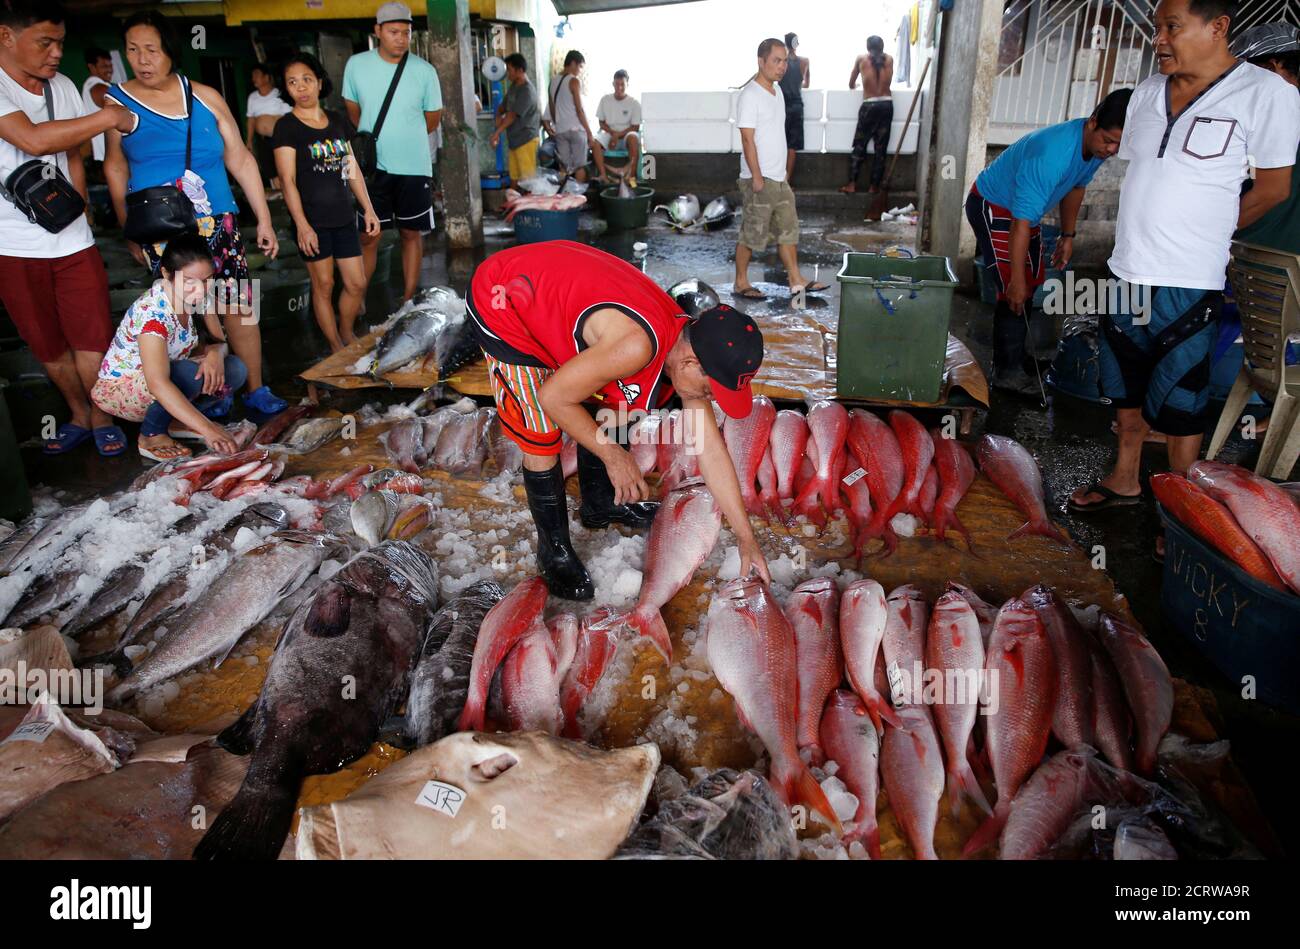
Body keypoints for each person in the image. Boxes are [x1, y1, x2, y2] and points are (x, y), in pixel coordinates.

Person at [1068, 0, 1298, 521]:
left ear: (1217, 26)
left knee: (1182, 399)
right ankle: (1125, 479)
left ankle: (1178, 506)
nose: (1159, 39)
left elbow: (1274, 188)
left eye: (1172, 26)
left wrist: (1209, 231)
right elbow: (1152, 174)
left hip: (1189, 278)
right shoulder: (1148, 93)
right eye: (1156, 27)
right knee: (1124, 388)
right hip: (1127, 269)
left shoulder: (1267, 93)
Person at [466, 241, 772, 601]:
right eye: (711, 390)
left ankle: (600, 503)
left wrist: (746, 539)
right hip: (505, 299)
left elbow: (712, 454)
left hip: (553, 294)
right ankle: (553, 552)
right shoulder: (636, 346)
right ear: (691, 364)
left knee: (623, 396)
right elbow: (553, 397)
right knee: (540, 432)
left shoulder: (682, 346)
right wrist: (614, 455)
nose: (709, 399)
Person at [102, 10, 288, 417]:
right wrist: (125, 225)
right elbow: (115, 166)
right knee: (186, 311)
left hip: (216, 218)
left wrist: (265, 218)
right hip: (159, 225)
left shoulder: (204, 96)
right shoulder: (117, 101)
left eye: (152, 50)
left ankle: (255, 388)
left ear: (171, 51)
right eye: (133, 50)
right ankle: (212, 394)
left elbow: (240, 158)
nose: (143, 59)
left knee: (236, 304)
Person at [0, 0, 136, 456]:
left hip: (72, 238)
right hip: (12, 243)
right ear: (6, 37)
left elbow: (73, 152)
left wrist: (78, 212)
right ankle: (77, 412)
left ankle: (102, 415)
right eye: (45, 42)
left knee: (92, 333)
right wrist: (111, 114)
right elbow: (32, 139)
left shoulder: (62, 87)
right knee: (45, 339)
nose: (56, 52)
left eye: (60, 42)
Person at [966, 89, 1132, 396]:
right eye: (1109, 140)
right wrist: (1014, 279)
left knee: (1031, 279)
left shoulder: (1093, 148)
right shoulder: (1051, 155)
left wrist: (1068, 236)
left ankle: (1014, 357)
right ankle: (1006, 373)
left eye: (1119, 145)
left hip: (1020, 211)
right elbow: (1019, 224)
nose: (1111, 150)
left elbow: (1076, 188)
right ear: (1093, 122)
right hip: (992, 204)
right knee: (1013, 287)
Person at [91, 232, 244, 462]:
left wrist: (215, 354)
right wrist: (208, 429)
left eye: (207, 279)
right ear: (166, 274)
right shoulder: (152, 313)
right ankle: (151, 434)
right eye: (190, 281)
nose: (201, 289)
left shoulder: (200, 297)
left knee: (235, 369)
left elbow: (219, 343)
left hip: (165, 381)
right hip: (122, 391)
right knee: (184, 374)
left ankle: (177, 421)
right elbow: (157, 382)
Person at [274, 53, 380, 353]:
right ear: (287, 88)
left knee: (357, 283)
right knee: (323, 285)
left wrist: (367, 208)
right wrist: (302, 226)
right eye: (292, 82)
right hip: (313, 220)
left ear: (320, 82)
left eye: (307, 79)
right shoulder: (287, 127)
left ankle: (346, 331)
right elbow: (287, 180)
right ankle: (335, 344)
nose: (301, 87)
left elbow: (351, 168)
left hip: (343, 216)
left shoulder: (336, 121)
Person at [343, 1, 443, 304]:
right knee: (369, 236)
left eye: (406, 32)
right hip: (373, 168)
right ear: (378, 31)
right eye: (394, 32)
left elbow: (432, 118)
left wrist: (405, 137)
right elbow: (353, 110)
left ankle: (408, 297)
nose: (401, 38)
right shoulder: (356, 65)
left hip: (414, 166)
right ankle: (358, 295)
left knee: (411, 234)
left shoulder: (425, 71)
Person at [734, 37, 829, 301]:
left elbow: (776, 136)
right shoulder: (750, 95)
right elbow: (747, 139)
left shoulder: (777, 94)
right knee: (752, 234)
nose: (782, 66)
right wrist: (756, 177)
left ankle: (796, 280)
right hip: (759, 177)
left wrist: (784, 174)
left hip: (778, 178)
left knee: (789, 230)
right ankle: (740, 282)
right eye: (776, 60)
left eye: (785, 60)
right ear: (761, 61)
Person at [1231, 23, 1299, 253]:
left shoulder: (1270, 117)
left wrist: (1208, 235)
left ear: (1272, 69)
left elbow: (1269, 191)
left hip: (1257, 257)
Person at [542, 49, 607, 181]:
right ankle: (578, 196)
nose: (580, 71)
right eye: (580, 66)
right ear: (573, 63)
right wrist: (589, 132)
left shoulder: (553, 82)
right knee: (579, 167)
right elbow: (579, 110)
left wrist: (557, 125)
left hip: (561, 130)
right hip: (576, 130)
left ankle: (565, 197)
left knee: (563, 167)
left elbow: (552, 108)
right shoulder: (574, 81)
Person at [840, 36, 893, 195]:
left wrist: (856, 85)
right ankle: (873, 187)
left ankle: (852, 184)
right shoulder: (889, 59)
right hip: (886, 105)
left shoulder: (861, 59)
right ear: (882, 47)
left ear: (867, 47)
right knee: (880, 149)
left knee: (859, 145)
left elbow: (851, 83)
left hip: (869, 106)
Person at [489, 52, 540, 184]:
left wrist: (497, 133)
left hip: (526, 140)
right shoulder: (514, 87)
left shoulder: (527, 91)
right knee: (515, 178)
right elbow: (504, 106)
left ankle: (529, 204)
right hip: (515, 141)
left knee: (528, 182)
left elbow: (512, 115)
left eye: (510, 70)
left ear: (520, 70)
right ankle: (512, 201)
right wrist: (498, 115)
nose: (507, 74)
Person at [245, 62, 291, 195]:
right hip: (263, 140)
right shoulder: (252, 97)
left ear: (266, 77)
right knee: (270, 169)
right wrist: (249, 141)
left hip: (280, 138)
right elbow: (251, 120)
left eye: (257, 75)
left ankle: (289, 195)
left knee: (284, 168)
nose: (254, 79)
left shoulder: (279, 94)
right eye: (253, 76)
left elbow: (290, 117)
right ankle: (280, 197)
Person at [595, 68, 641, 184]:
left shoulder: (634, 103)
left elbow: (635, 127)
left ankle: (631, 178)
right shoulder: (605, 100)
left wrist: (617, 135)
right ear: (613, 84)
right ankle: (603, 176)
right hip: (609, 133)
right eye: (617, 84)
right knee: (595, 143)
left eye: (622, 84)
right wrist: (612, 134)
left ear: (627, 85)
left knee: (634, 138)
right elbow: (601, 123)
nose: (619, 87)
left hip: (625, 135)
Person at [778, 33, 809, 183]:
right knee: (792, 146)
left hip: (781, 106)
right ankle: (787, 180)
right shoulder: (804, 61)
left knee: (779, 142)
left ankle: (776, 178)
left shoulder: (780, 63)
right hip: (797, 106)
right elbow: (807, 84)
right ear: (797, 44)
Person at [80, 45, 112, 171]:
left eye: (110, 66)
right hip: (105, 158)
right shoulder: (96, 86)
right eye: (104, 66)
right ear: (92, 67)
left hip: (104, 157)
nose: (109, 70)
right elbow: (123, 103)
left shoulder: (92, 86)